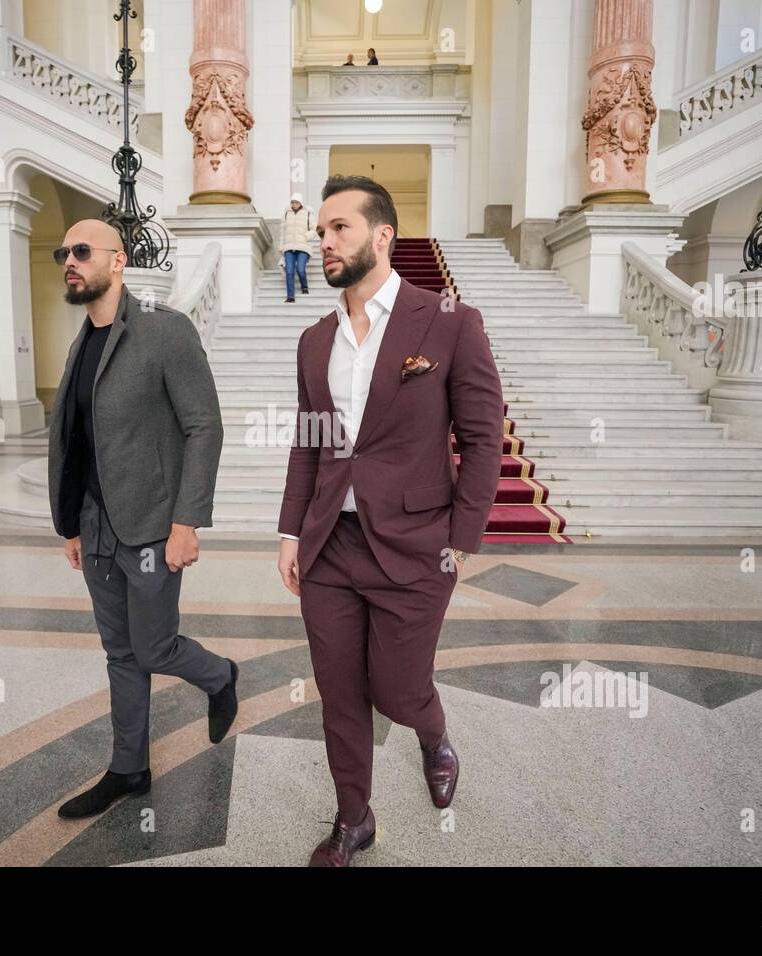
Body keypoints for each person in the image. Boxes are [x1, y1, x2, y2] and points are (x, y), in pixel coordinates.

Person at [276, 175, 504, 866]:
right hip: (330, 548)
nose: (324, 242)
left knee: (401, 689)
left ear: (382, 236)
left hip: (414, 544)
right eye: (319, 231)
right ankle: (354, 819)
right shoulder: (315, 340)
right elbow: (308, 442)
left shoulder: (448, 322)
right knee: (340, 691)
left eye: (338, 228)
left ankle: (432, 734)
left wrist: (462, 539)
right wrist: (291, 531)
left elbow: (485, 436)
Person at [46, 219, 238, 819]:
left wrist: (188, 520)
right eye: (63, 254)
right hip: (96, 527)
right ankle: (129, 768)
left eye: (81, 252)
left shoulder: (164, 332)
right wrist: (74, 524)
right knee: (120, 654)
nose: (69, 262)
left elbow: (203, 426)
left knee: (152, 647)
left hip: (153, 524)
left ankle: (219, 675)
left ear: (118, 260)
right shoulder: (80, 344)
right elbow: (75, 442)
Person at [280, 192, 318, 303]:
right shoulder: (287, 213)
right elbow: (282, 231)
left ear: (300, 202)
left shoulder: (307, 212)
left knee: (300, 269)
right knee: (289, 271)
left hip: (303, 246)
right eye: (293, 202)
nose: (294, 204)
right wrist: (281, 246)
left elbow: (314, 228)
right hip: (288, 246)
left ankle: (304, 286)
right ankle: (290, 296)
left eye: (296, 202)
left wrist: (307, 236)